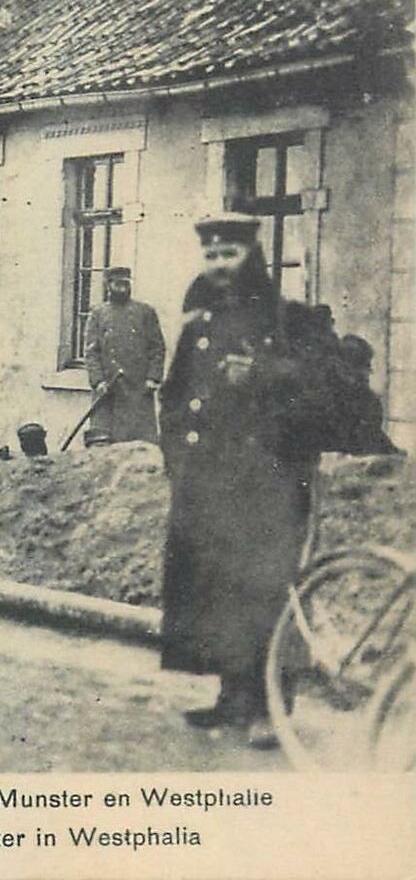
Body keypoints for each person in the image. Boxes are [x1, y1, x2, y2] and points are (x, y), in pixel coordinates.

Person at [157, 216, 340, 749]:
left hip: (269, 482)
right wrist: (176, 459)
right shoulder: (199, 324)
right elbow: (173, 396)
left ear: (252, 256)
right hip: (208, 480)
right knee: (215, 588)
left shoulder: (286, 321)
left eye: (229, 254)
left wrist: (262, 375)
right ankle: (231, 696)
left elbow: (325, 392)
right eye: (211, 256)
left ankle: (270, 707)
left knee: (265, 589)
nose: (218, 265)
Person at [82, 266, 166, 444]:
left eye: (125, 284)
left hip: (139, 389)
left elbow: (157, 348)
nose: (122, 289)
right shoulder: (98, 314)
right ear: (108, 286)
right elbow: (91, 352)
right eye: (118, 284)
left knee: (140, 444)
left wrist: (153, 378)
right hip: (108, 390)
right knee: (103, 443)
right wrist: (98, 381)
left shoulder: (145, 312)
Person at [332, 335, 402, 456]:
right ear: (340, 367)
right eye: (359, 368)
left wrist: (393, 453)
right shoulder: (324, 399)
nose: (366, 374)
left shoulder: (369, 400)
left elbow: (374, 435)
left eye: (367, 366)